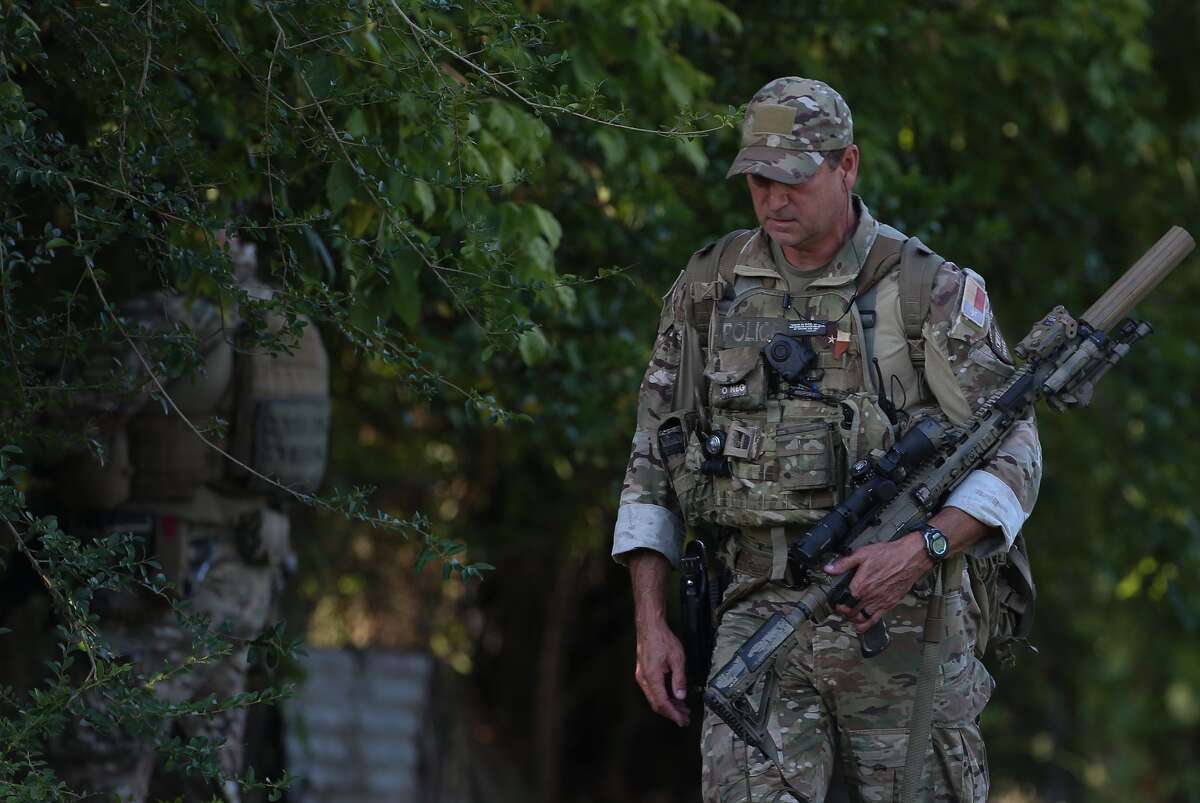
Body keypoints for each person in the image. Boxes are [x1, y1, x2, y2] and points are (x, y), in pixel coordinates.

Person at [613, 77, 1042, 802]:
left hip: (902, 619)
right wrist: (650, 622)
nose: (774, 198)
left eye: (793, 178)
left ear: (848, 166)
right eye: (757, 179)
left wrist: (922, 548)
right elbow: (654, 453)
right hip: (757, 609)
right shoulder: (710, 286)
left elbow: (1015, 449)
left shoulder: (925, 290)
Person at [47, 235, 330, 802]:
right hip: (247, 577)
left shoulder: (172, 316)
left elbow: (65, 419)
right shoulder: (285, 324)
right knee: (207, 774)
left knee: (98, 757)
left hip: (166, 580)